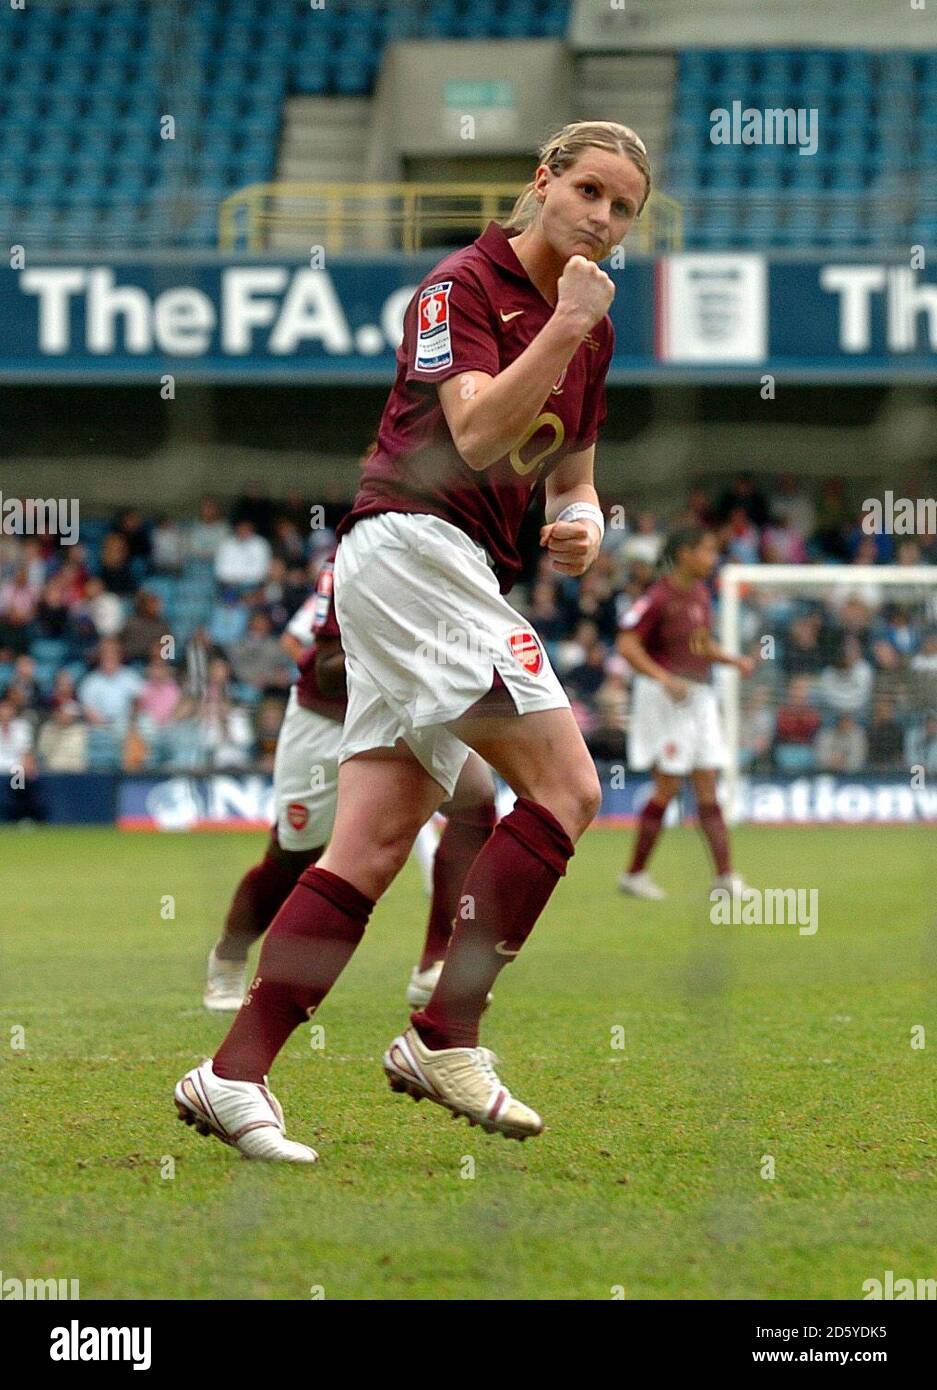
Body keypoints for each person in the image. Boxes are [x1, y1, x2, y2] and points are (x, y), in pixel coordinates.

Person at [174, 118, 650, 1161]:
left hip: (463, 566)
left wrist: (583, 524)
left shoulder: (597, 328)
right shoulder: (460, 285)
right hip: (410, 548)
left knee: (375, 842)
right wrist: (564, 326)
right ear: (542, 182)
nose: (604, 221)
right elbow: (477, 433)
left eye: (624, 209)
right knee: (568, 789)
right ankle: (444, 1034)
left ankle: (231, 1074)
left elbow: (571, 477)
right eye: (589, 193)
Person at [202, 553, 499, 1015]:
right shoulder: (355, 558)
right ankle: (229, 954)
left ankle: (436, 962)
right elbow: (325, 667)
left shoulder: (452, 552)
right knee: (291, 858)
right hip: (328, 721)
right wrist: (414, 654)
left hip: (410, 713)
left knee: (476, 804)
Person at [616, 525, 755, 901]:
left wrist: (732, 660)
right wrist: (664, 678)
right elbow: (627, 644)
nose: (713, 559)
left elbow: (700, 644)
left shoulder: (700, 594)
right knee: (669, 785)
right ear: (685, 553)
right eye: (708, 550)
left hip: (699, 696)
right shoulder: (658, 597)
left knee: (708, 782)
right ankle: (634, 874)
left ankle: (724, 877)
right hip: (666, 699)